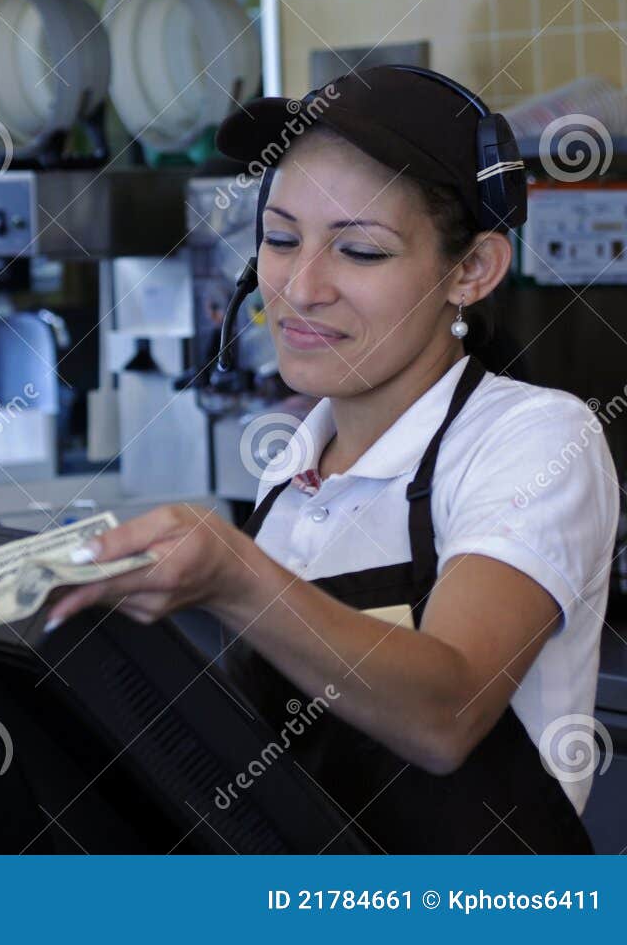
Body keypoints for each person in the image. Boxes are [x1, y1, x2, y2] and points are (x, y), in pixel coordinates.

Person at [47, 66, 619, 854]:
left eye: (359, 250)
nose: (300, 287)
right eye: (280, 240)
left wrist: (234, 577)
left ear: (472, 271)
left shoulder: (533, 438)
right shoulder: (289, 470)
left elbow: (447, 710)